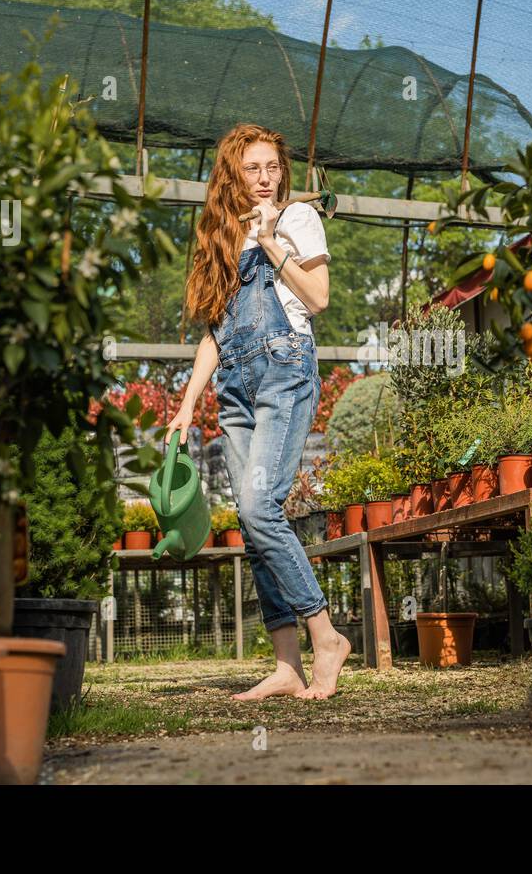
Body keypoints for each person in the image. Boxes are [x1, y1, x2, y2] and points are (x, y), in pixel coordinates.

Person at [166, 123, 350, 700]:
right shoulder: (219, 238)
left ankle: (326, 637)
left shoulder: (296, 220)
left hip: (284, 371)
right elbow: (213, 333)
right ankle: (287, 665)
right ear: (232, 176)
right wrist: (187, 402)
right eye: (253, 168)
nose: (267, 178)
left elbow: (317, 298)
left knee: (257, 503)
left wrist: (272, 243)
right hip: (235, 388)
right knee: (250, 522)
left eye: (273, 167)